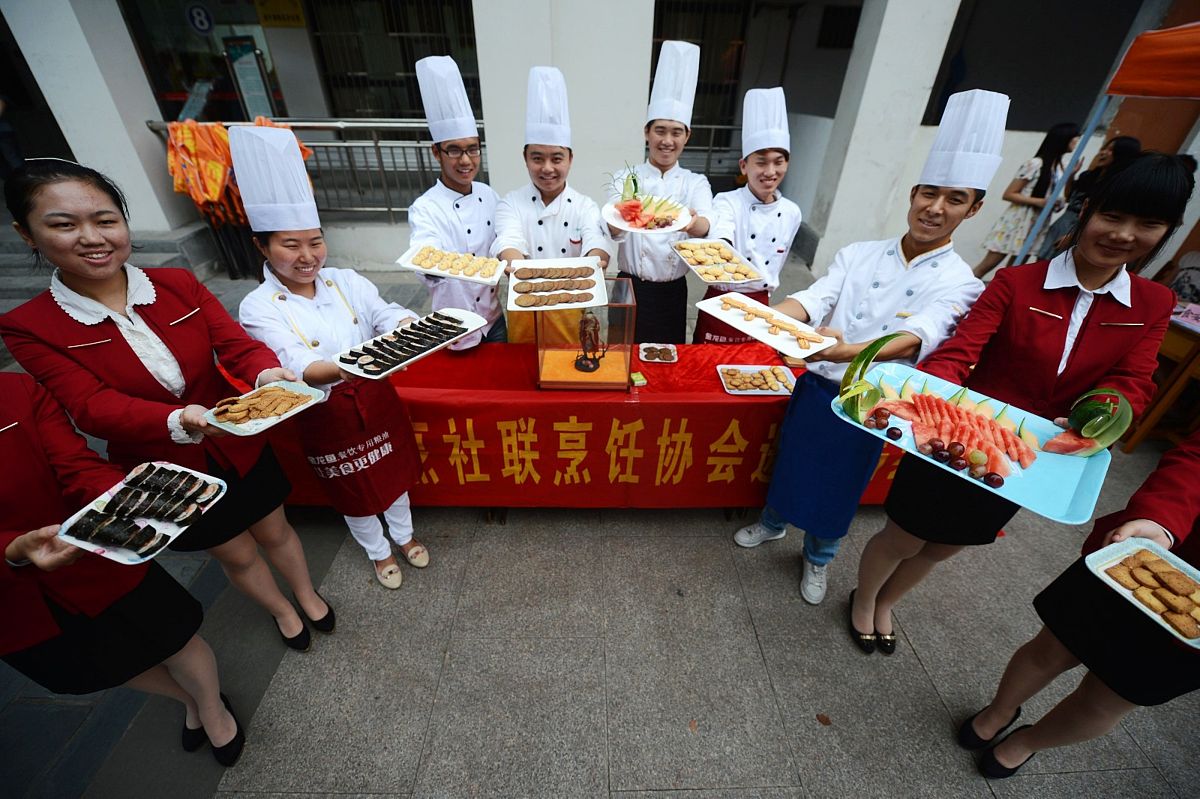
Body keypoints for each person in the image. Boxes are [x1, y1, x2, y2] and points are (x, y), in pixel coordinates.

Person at [852, 152, 1194, 656]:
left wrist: (1105, 413)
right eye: (1113, 216)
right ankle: (864, 600)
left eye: (1148, 224)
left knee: (947, 546)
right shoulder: (1016, 283)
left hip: (1026, 460)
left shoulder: (1153, 303)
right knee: (903, 537)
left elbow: (1134, 379)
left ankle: (888, 603)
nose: (1123, 235)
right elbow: (960, 353)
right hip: (950, 440)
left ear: (1166, 232)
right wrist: (926, 401)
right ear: (1088, 210)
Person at [0, 159, 332, 652]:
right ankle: (282, 611)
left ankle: (306, 594)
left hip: (239, 441)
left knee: (276, 528)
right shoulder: (30, 325)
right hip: (164, 468)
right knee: (236, 554)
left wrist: (266, 373)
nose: (92, 237)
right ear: (26, 234)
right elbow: (89, 406)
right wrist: (178, 420)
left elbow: (237, 346)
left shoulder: (177, 284)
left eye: (105, 220)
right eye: (64, 225)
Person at [733, 90, 1006, 612]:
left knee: (841, 485)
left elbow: (919, 335)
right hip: (816, 384)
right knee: (790, 458)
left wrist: (849, 351)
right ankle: (772, 523)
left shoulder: (962, 282)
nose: (935, 208)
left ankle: (820, 554)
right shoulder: (859, 253)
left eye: (954, 199)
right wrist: (769, 317)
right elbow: (819, 295)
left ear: (974, 209)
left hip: (872, 401)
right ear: (912, 193)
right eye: (929, 193)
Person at [1, 372, 244, 766]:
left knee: (175, 638)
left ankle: (212, 707)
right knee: (104, 666)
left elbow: (76, 464)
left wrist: (130, 496)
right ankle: (189, 700)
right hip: (14, 608)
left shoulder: (14, 391)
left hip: (89, 554)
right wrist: (9, 548)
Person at [232, 126, 428, 591]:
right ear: (262, 245)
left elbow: (382, 311)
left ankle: (403, 535)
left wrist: (402, 327)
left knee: (393, 471)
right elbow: (298, 363)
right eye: (291, 244)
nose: (308, 256)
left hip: (377, 394)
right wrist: (358, 363)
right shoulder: (257, 306)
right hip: (324, 410)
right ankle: (378, 552)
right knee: (352, 488)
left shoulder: (345, 279)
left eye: (315, 242)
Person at [958, 428, 1200, 779]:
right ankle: (1000, 711)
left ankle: (1029, 742)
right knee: (1053, 646)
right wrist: (1160, 521)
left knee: (1109, 699)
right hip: (1148, 557)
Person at [491, 66, 611, 344]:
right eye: (537, 158)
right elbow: (508, 240)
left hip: (573, 313)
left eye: (556, 158)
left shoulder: (584, 205)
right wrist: (513, 264)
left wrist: (595, 258)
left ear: (570, 158)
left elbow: (596, 241)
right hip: (525, 311)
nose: (547, 168)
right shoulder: (511, 202)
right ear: (525, 158)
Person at [607, 41, 715, 344]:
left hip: (672, 289)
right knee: (620, 356)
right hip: (628, 285)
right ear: (646, 132)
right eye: (660, 130)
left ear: (687, 136)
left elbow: (706, 224)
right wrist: (621, 215)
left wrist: (692, 222)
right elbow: (614, 230)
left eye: (676, 132)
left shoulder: (695, 182)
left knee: (667, 360)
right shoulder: (625, 178)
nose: (667, 140)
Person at [408, 55, 504, 349]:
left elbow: (504, 241)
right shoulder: (425, 207)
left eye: (473, 150)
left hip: (494, 321)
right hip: (453, 328)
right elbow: (423, 255)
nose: (466, 160)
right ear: (436, 152)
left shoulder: (489, 194)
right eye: (454, 151)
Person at [697, 87, 802, 344]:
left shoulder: (792, 213)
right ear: (744, 165)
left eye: (779, 162)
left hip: (761, 306)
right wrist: (721, 248)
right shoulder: (727, 201)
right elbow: (721, 241)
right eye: (761, 162)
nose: (770, 171)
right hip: (720, 304)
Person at [974, 122, 1081, 278]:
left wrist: (1068, 181)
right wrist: (1040, 202)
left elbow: (1062, 196)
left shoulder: (1062, 166)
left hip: (1037, 222)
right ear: (1063, 139)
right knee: (988, 265)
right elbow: (1009, 193)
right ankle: (957, 293)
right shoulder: (1035, 164)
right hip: (1017, 221)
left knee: (1014, 271)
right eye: (1075, 138)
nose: (1076, 143)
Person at [1034, 135, 1141, 260]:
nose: (1103, 153)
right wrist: (1071, 175)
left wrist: (1074, 236)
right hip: (1062, 223)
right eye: (1104, 148)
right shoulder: (1088, 176)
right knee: (1041, 262)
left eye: (1111, 150)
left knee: (1060, 264)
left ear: (1122, 155)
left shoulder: (1117, 186)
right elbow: (1070, 197)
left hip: (1081, 230)